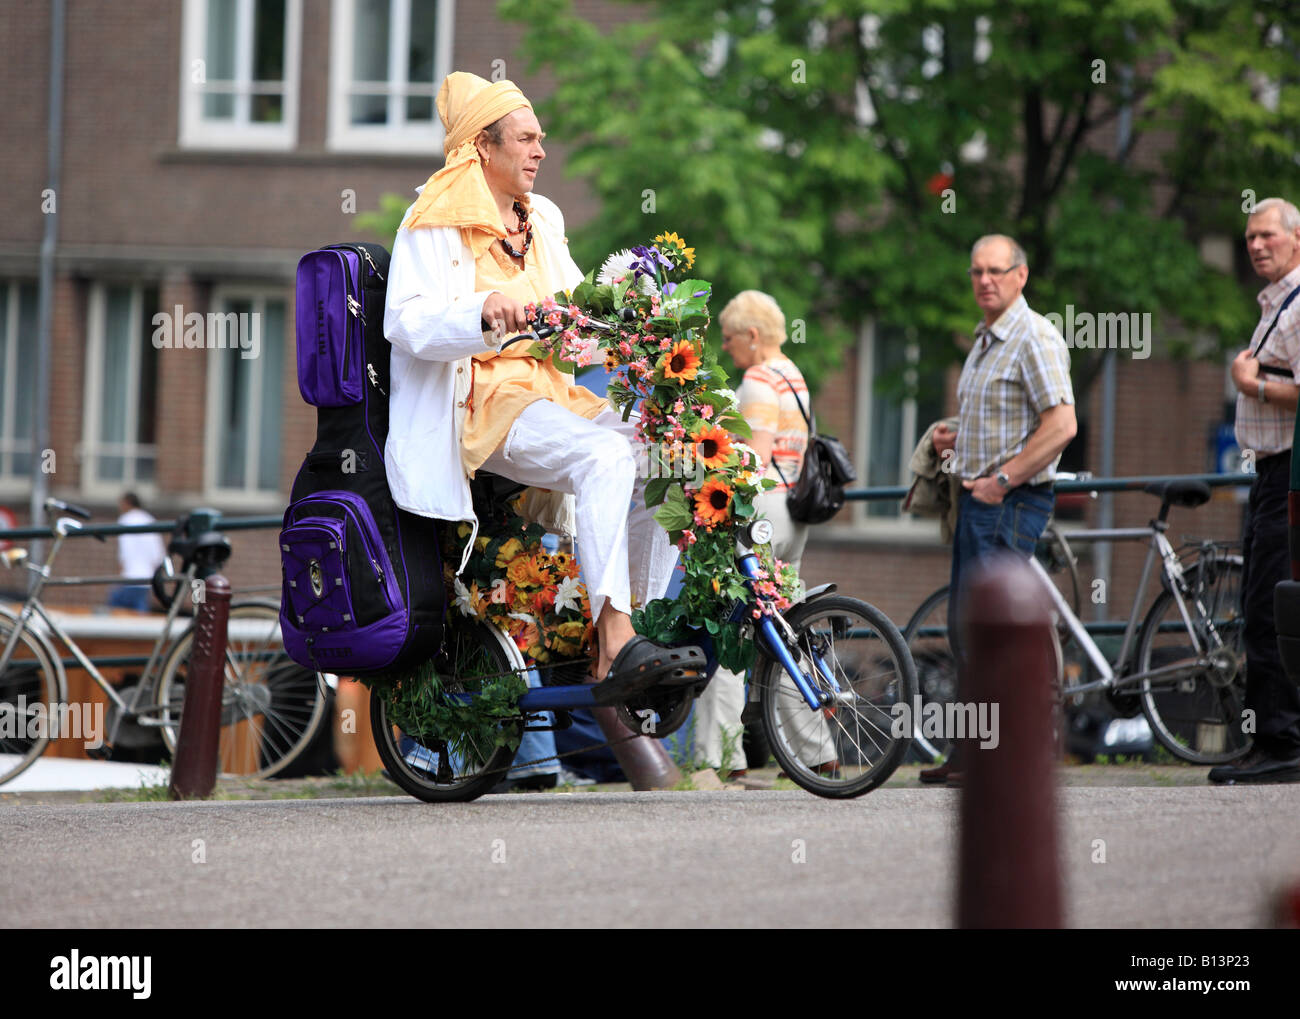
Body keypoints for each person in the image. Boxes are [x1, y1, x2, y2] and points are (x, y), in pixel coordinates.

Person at [382, 71, 696, 701]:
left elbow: (572, 318)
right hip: (484, 403)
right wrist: (481, 312)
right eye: (525, 139)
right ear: (482, 148)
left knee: (673, 453)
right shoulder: (432, 220)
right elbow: (404, 322)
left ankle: (633, 624)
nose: (540, 151)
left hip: (552, 393)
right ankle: (615, 638)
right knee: (606, 455)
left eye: (540, 138)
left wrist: (630, 326)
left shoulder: (541, 219)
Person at [920, 234, 1076, 786]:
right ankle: (972, 753)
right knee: (971, 627)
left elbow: (1062, 425)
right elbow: (1004, 423)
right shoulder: (987, 339)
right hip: (980, 497)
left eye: (995, 271)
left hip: (1009, 500)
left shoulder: (1033, 337)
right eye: (976, 271)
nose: (984, 280)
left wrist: (1003, 479)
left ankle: (1006, 758)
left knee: (995, 629)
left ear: (1021, 276)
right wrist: (954, 444)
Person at [690, 290, 835, 777]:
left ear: (752, 335)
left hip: (762, 515)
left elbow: (754, 457)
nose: (727, 349)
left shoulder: (758, 379)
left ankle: (720, 759)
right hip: (795, 517)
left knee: (729, 628)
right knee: (785, 634)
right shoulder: (794, 375)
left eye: (730, 339)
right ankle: (820, 754)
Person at [1208, 197, 1300, 785]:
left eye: (1268, 235)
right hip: (1267, 472)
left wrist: (1255, 383)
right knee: (1262, 601)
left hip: (1287, 472)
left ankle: (1280, 743)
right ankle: (1268, 737)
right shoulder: (1275, 304)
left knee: (1270, 602)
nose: (1257, 245)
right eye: (1249, 238)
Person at [106, 493, 165, 613]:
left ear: (127, 503)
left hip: (130, 575)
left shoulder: (126, 520)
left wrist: (121, 569)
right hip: (146, 577)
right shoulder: (149, 520)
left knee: (115, 608)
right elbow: (158, 554)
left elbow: (125, 550)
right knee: (139, 612)